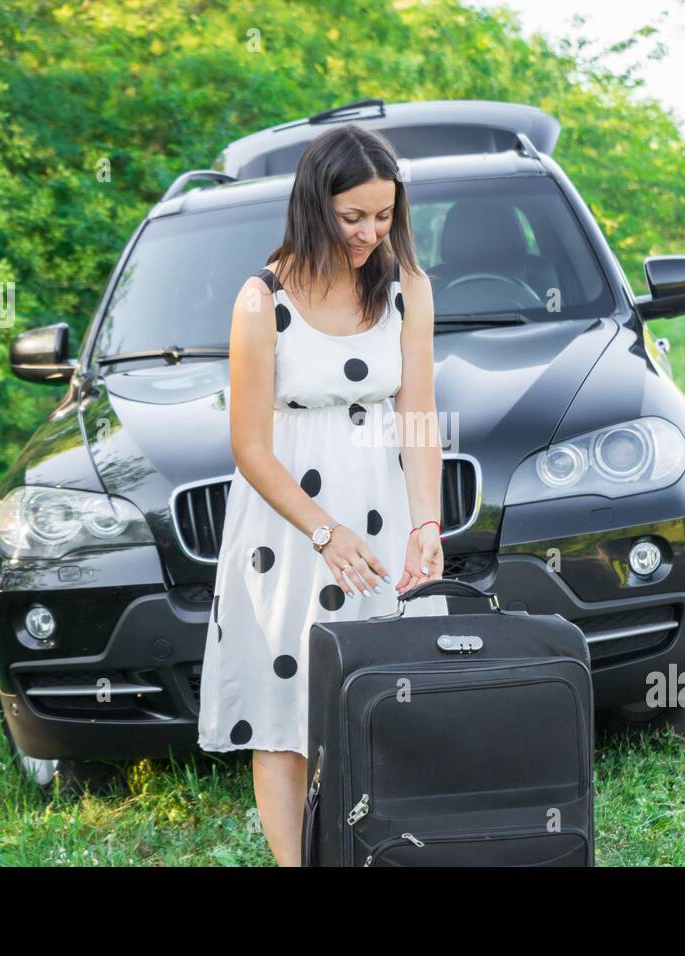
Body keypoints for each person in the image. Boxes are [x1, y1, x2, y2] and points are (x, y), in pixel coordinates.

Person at [196, 123, 450, 865]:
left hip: (382, 516)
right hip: (290, 531)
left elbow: (418, 414)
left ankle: (383, 853)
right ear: (315, 205)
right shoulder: (261, 299)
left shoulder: (407, 287)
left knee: (390, 700)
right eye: (353, 217)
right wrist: (324, 532)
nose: (371, 232)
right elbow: (249, 446)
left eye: (384, 215)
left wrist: (426, 524)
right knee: (286, 715)